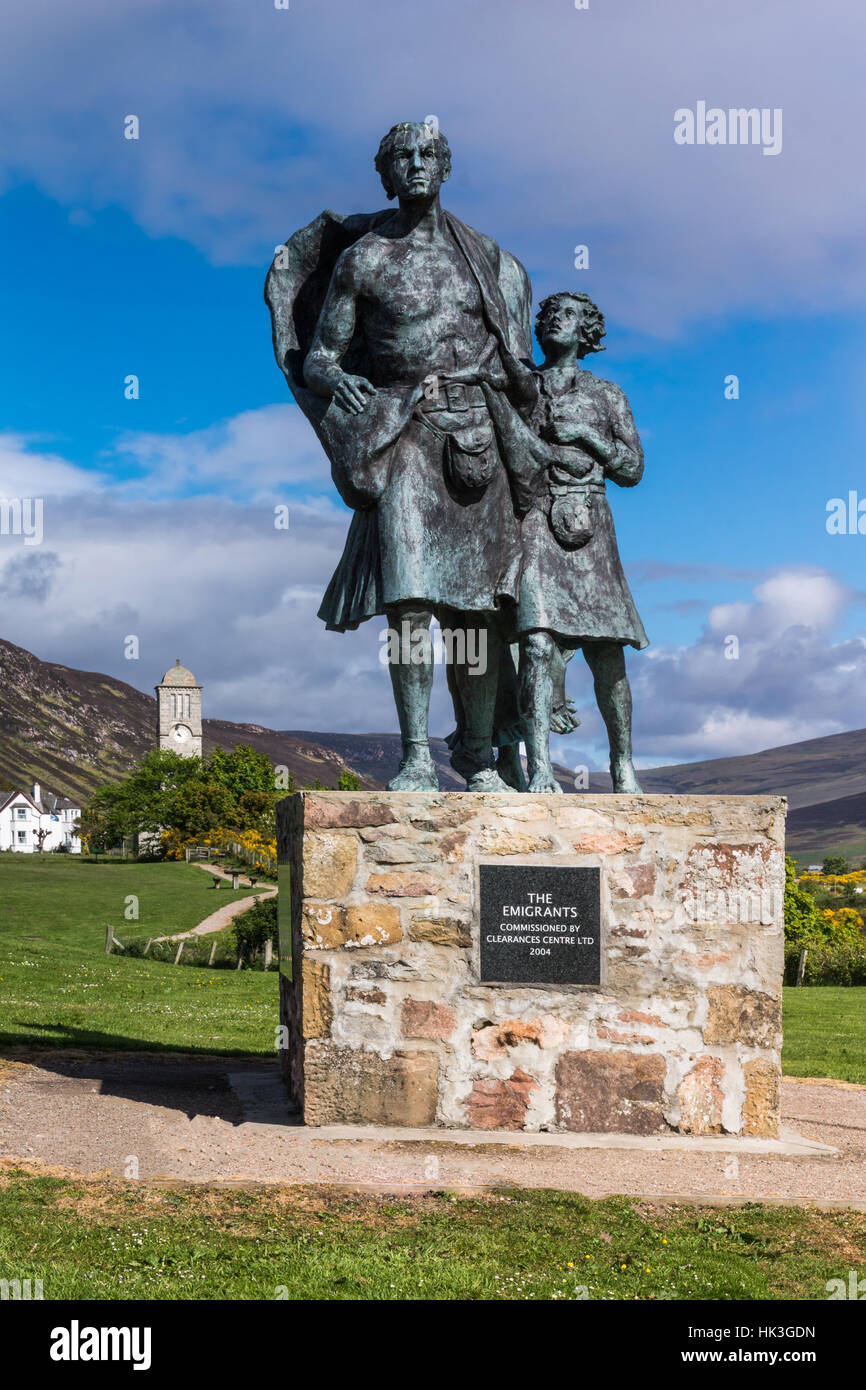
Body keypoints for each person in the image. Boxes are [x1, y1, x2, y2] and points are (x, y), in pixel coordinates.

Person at [267, 121, 537, 790]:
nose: (416, 166)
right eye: (402, 159)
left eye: (428, 156)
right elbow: (321, 358)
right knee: (410, 603)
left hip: (476, 439)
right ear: (386, 176)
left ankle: (476, 756)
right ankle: (417, 753)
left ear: (445, 167)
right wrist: (339, 379)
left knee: (477, 609)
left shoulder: (490, 259)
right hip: (404, 436)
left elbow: (518, 363)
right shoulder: (365, 260)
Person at [486, 290, 648, 793]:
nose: (557, 319)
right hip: (534, 514)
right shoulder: (520, 387)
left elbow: (633, 470)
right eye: (550, 313)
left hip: (591, 519)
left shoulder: (607, 395)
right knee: (535, 642)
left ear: (587, 331)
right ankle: (539, 767)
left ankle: (622, 764)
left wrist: (589, 436)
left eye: (570, 314)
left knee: (607, 652)